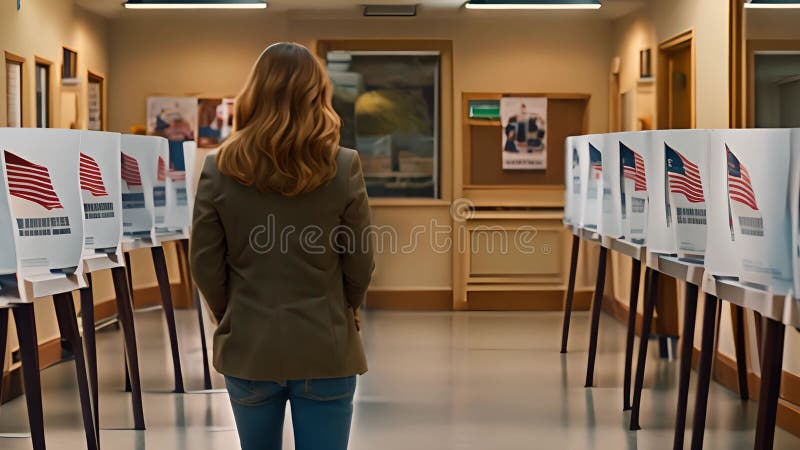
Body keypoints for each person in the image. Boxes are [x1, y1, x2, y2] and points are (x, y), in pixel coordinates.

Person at [190, 42, 373, 450]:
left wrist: (232, 312)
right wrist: (347, 310)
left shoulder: (219, 169)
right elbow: (360, 262)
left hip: (249, 348)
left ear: (254, 93)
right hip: (326, 348)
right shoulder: (343, 165)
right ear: (317, 95)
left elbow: (205, 265)